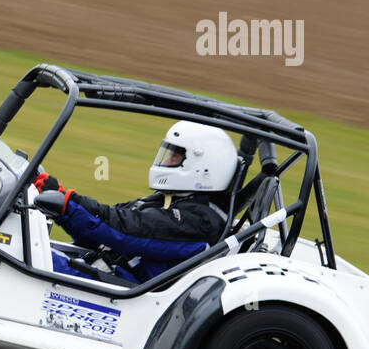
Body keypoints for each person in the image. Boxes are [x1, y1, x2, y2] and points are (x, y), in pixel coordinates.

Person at [35, 121, 237, 282]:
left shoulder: (198, 221)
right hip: (103, 271)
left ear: (204, 169)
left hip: (119, 289)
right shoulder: (175, 200)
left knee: (20, 256)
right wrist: (60, 204)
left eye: (174, 157)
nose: (165, 162)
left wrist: (69, 204)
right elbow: (101, 233)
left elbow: (122, 229)